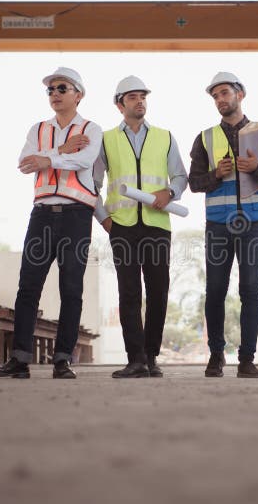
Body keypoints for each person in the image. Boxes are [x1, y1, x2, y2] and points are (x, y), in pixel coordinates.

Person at [0, 67, 102, 380]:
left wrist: (47, 158)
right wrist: (59, 151)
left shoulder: (92, 129)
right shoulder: (37, 129)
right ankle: (19, 361)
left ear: (79, 95)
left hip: (77, 216)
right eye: (50, 89)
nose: (55, 94)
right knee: (28, 288)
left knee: (71, 289)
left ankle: (63, 360)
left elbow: (84, 161)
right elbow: (26, 163)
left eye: (62, 88)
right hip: (42, 216)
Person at [188, 72, 258, 378]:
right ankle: (216, 355)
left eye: (225, 93)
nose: (220, 99)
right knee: (215, 290)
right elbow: (194, 183)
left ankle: (246, 359)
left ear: (240, 94)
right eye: (215, 96)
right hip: (218, 225)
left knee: (250, 289)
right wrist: (215, 174)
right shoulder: (205, 138)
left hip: (254, 223)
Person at [94, 76, 188, 378]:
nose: (140, 102)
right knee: (129, 292)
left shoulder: (165, 136)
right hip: (121, 226)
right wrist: (105, 220)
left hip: (158, 225)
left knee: (159, 291)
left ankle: (151, 356)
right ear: (120, 104)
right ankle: (135, 358)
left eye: (143, 96)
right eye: (133, 97)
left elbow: (180, 177)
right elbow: (92, 184)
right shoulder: (106, 139)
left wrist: (169, 193)